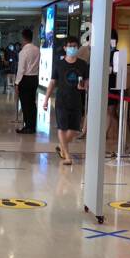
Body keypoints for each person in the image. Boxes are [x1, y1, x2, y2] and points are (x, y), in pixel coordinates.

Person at [43, 36, 88, 165]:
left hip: (77, 101)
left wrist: (84, 86)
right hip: (61, 101)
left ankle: (62, 146)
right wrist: (46, 100)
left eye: (74, 46)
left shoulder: (82, 64)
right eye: (69, 46)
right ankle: (67, 156)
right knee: (62, 128)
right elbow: (52, 82)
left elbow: (86, 81)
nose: (72, 48)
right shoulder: (59, 64)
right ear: (65, 48)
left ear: (78, 47)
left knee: (73, 130)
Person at [15, 28, 40, 134]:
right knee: (32, 103)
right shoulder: (37, 49)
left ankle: (27, 126)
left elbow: (21, 69)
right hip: (34, 78)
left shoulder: (23, 52)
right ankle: (32, 126)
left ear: (23, 38)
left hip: (25, 79)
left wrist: (17, 83)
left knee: (25, 104)